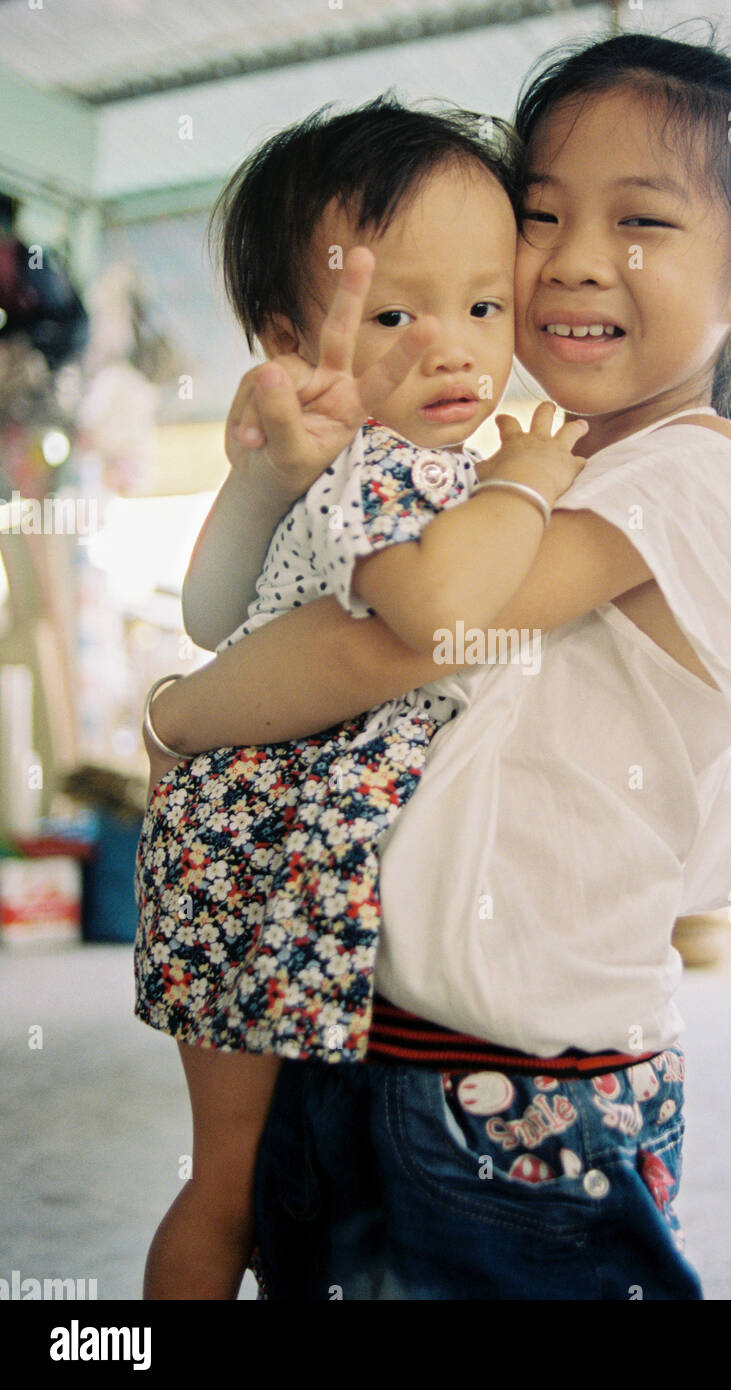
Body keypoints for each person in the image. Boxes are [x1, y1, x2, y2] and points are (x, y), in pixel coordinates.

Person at [143, 30, 731, 1299]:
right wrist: (284, 476)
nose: (570, 260)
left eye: (643, 222)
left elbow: (400, 636)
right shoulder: (503, 470)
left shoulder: (687, 474)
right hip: (387, 1048)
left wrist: (181, 720)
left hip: (525, 1093)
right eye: (543, 212)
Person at [134, 97, 588, 1300]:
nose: (454, 348)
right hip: (265, 854)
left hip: (260, 853)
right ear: (294, 334)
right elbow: (437, 616)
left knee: (249, 1170)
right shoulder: (387, 465)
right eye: (396, 313)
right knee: (234, 1176)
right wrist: (529, 484)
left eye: (485, 307)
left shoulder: (360, 459)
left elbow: (206, 614)